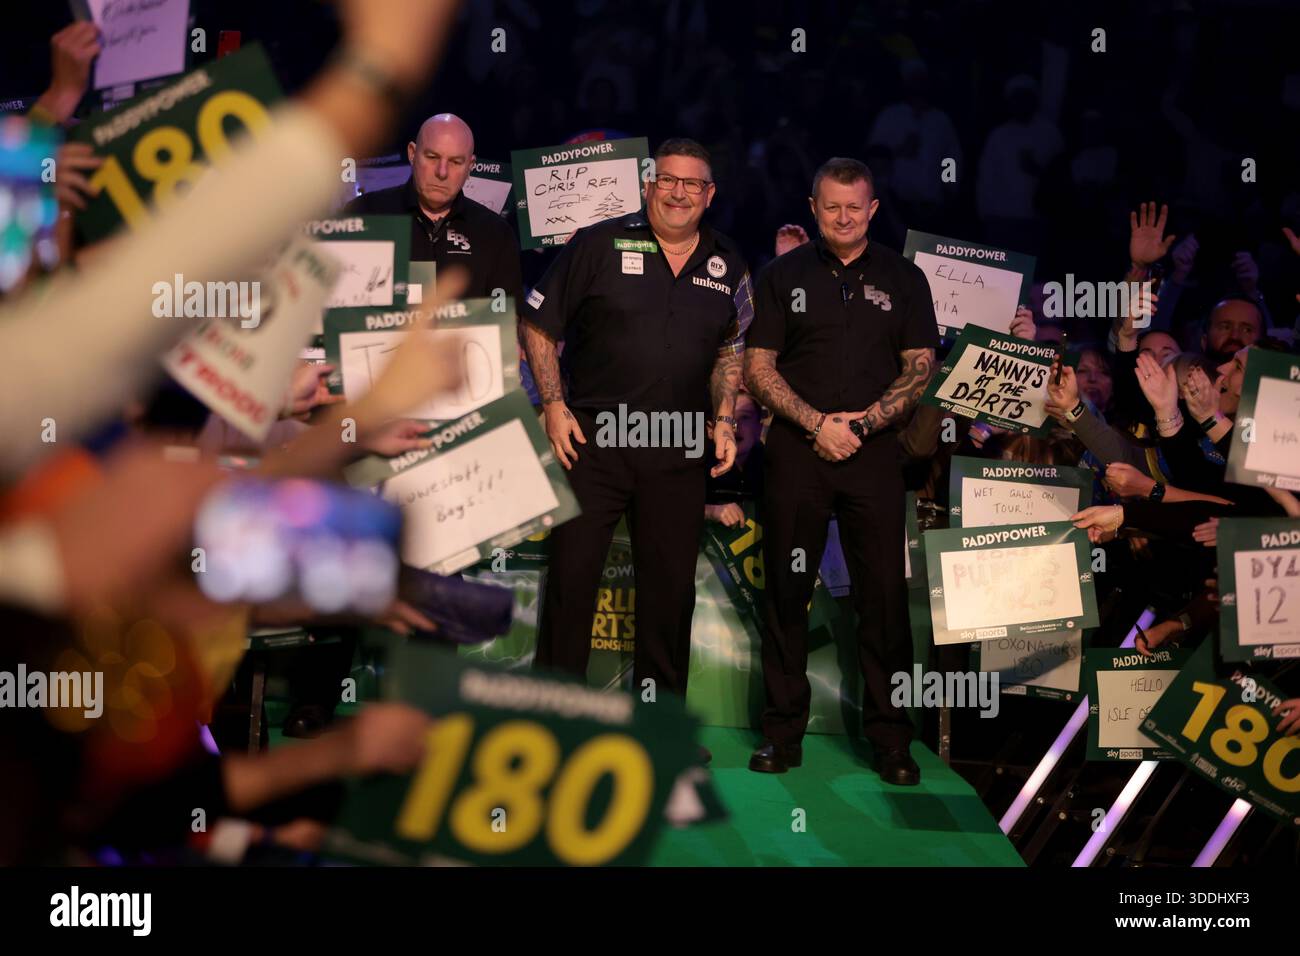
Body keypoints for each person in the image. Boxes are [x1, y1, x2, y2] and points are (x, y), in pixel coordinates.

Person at [520, 138, 751, 726]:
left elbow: (732, 346)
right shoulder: (598, 242)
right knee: (573, 583)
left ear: (710, 194)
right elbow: (539, 323)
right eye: (668, 180)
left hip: (677, 447)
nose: (679, 192)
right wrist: (551, 403)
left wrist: (724, 418)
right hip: (593, 442)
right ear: (649, 183)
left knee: (670, 595)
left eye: (692, 184)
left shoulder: (729, 262)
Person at [743, 157, 938, 783]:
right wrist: (817, 424)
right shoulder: (781, 275)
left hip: (876, 457)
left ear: (873, 208)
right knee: (785, 595)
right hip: (798, 454)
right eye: (832, 206)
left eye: (855, 206)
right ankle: (781, 734)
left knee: (882, 601)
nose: (844, 216)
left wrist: (860, 424)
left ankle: (890, 739)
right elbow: (758, 368)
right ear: (813, 207)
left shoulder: (905, 278)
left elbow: (920, 368)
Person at [343, 112, 524, 310]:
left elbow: (507, 319)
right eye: (432, 157)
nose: (442, 172)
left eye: (455, 162)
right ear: (413, 153)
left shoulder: (496, 233)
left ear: (470, 166)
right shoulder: (364, 214)